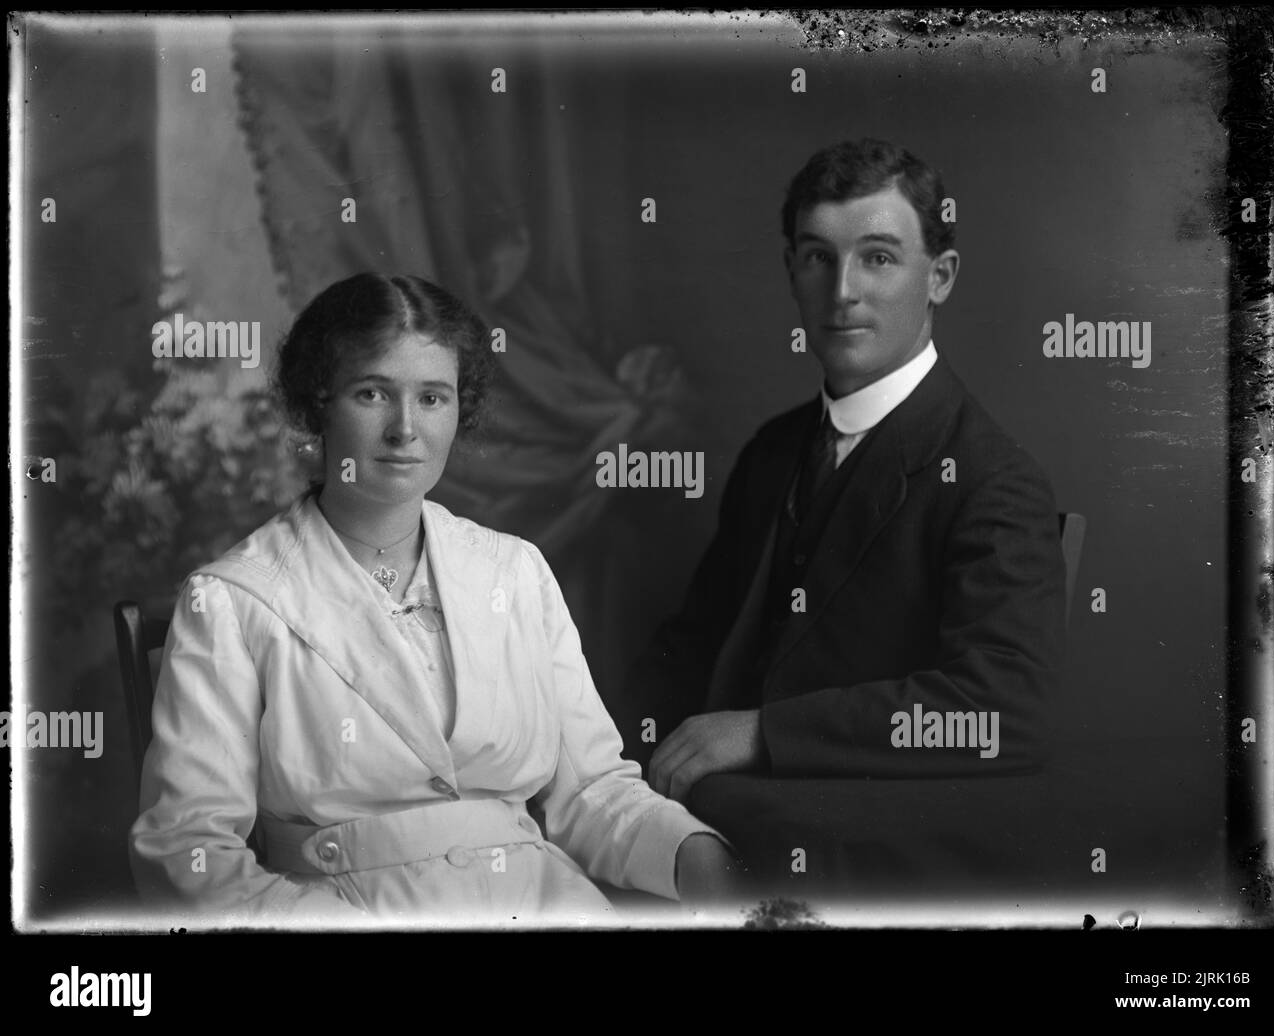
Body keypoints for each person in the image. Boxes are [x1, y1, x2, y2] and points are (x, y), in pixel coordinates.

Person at [130, 273, 735, 926]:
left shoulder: (515, 573)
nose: (405, 430)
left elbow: (590, 793)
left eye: (433, 397)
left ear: (460, 410)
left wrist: (707, 863)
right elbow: (186, 851)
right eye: (372, 394)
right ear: (315, 406)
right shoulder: (232, 601)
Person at [622, 138, 1067, 802]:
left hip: (865, 836)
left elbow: (1005, 712)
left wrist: (764, 733)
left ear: (939, 276)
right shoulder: (773, 450)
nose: (843, 291)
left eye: (878, 258)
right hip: (716, 810)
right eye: (818, 258)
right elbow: (692, 648)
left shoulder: (991, 479)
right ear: (790, 270)